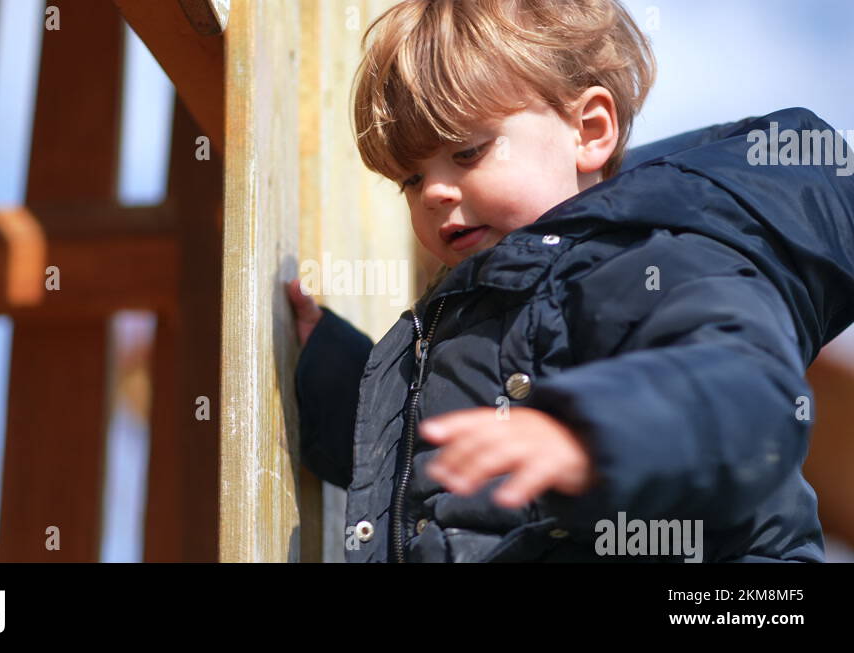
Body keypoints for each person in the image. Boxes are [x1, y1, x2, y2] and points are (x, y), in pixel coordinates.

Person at [287, 0, 854, 562]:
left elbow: (743, 387)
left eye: (468, 152)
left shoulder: (654, 257)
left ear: (589, 131)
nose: (434, 192)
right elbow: (424, 473)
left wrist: (594, 438)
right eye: (412, 179)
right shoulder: (465, 315)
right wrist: (330, 371)